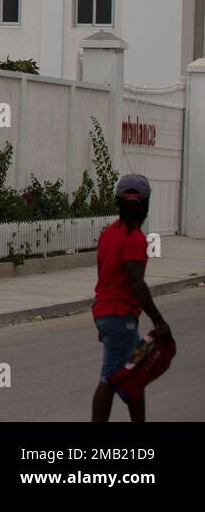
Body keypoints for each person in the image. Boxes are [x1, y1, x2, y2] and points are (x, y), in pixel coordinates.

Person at [90, 173, 172, 422]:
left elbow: (103, 275)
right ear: (146, 205)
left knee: (135, 377)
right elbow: (136, 283)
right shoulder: (134, 239)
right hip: (120, 318)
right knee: (109, 379)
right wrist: (159, 321)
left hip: (110, 315)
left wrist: (103, 322)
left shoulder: (109, 233)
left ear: (117, 202)